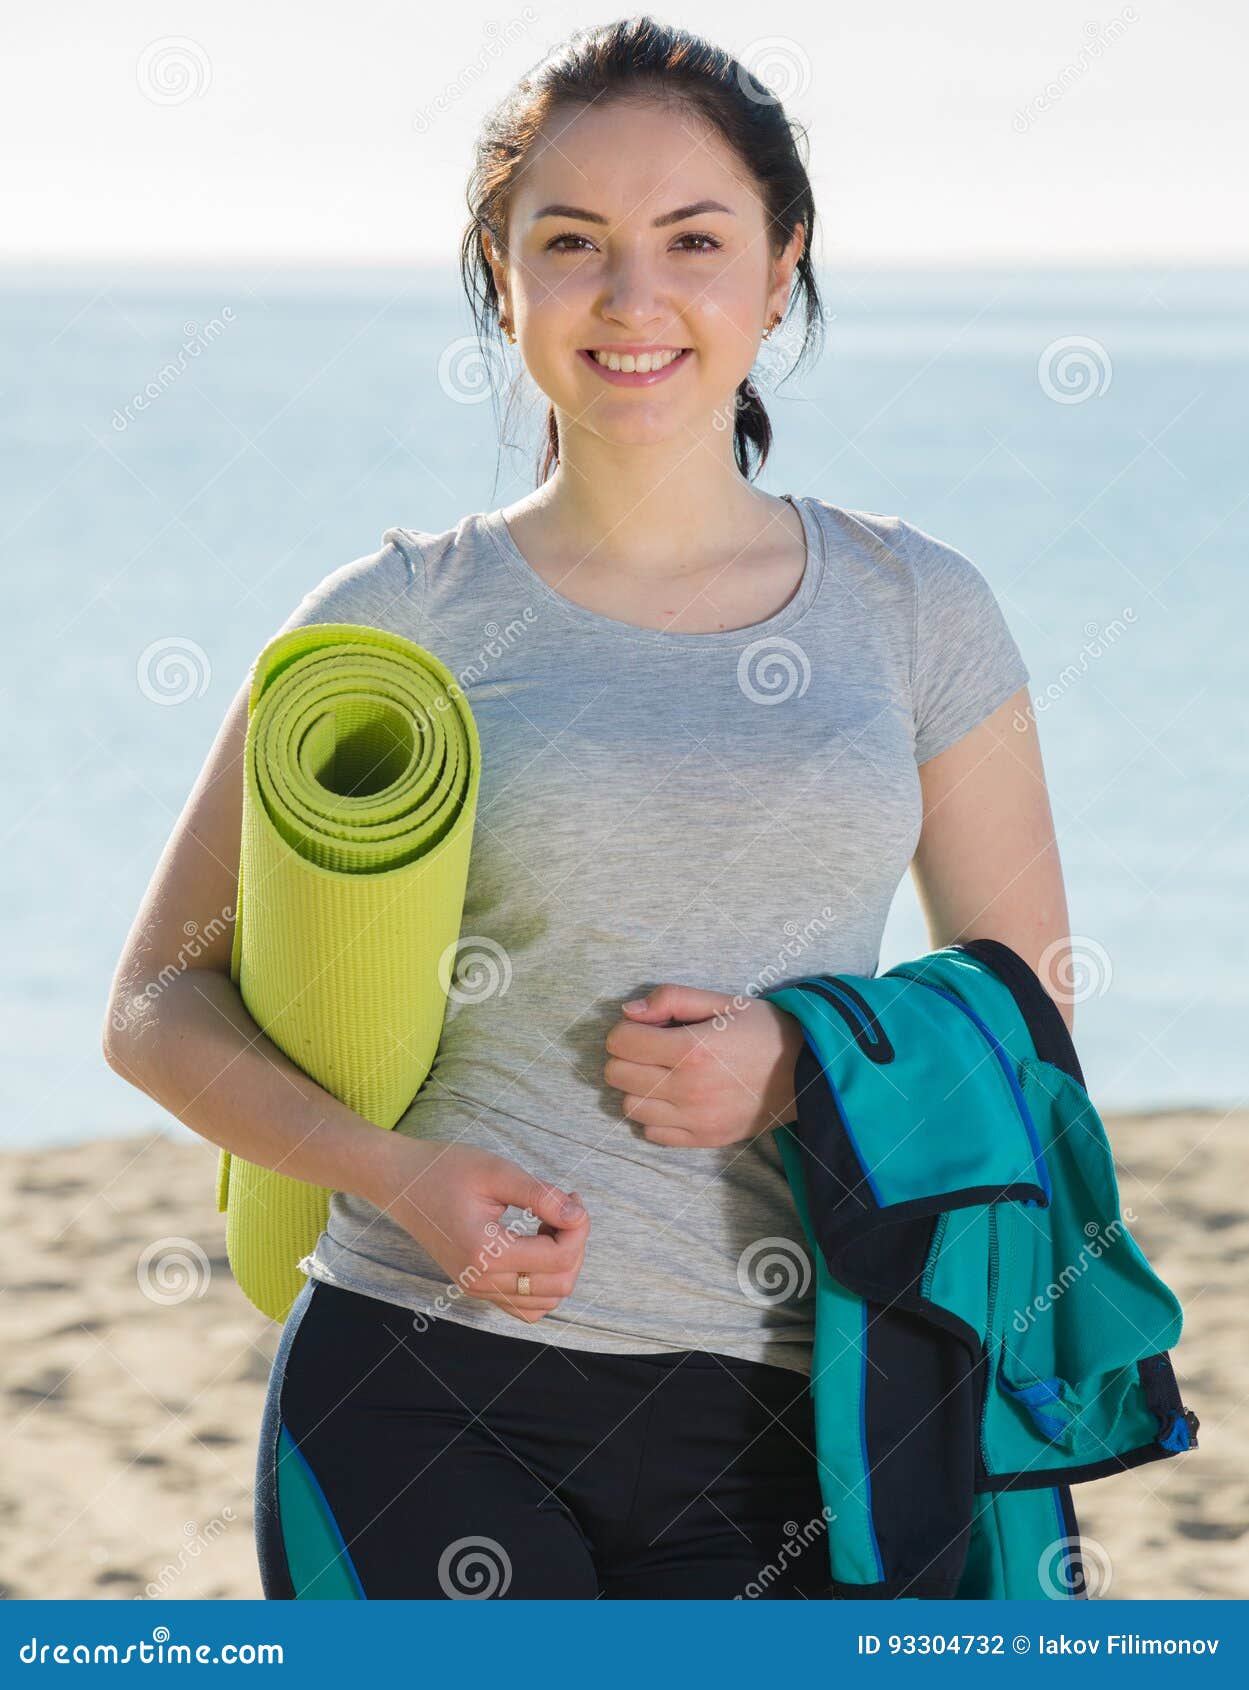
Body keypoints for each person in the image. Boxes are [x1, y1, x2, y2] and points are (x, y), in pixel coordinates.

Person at [103, 16, 1072, 1600]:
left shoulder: (917, 608)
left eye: (693, 240)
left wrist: (804, 1061)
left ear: (780, 270)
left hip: (806, 1412)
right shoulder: (388, 619)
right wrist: (390, 1170)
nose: (633, 300)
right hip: (416, 1384)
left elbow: (1032, 1012)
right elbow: (155, 1003)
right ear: (504, 277)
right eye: (572, 244)